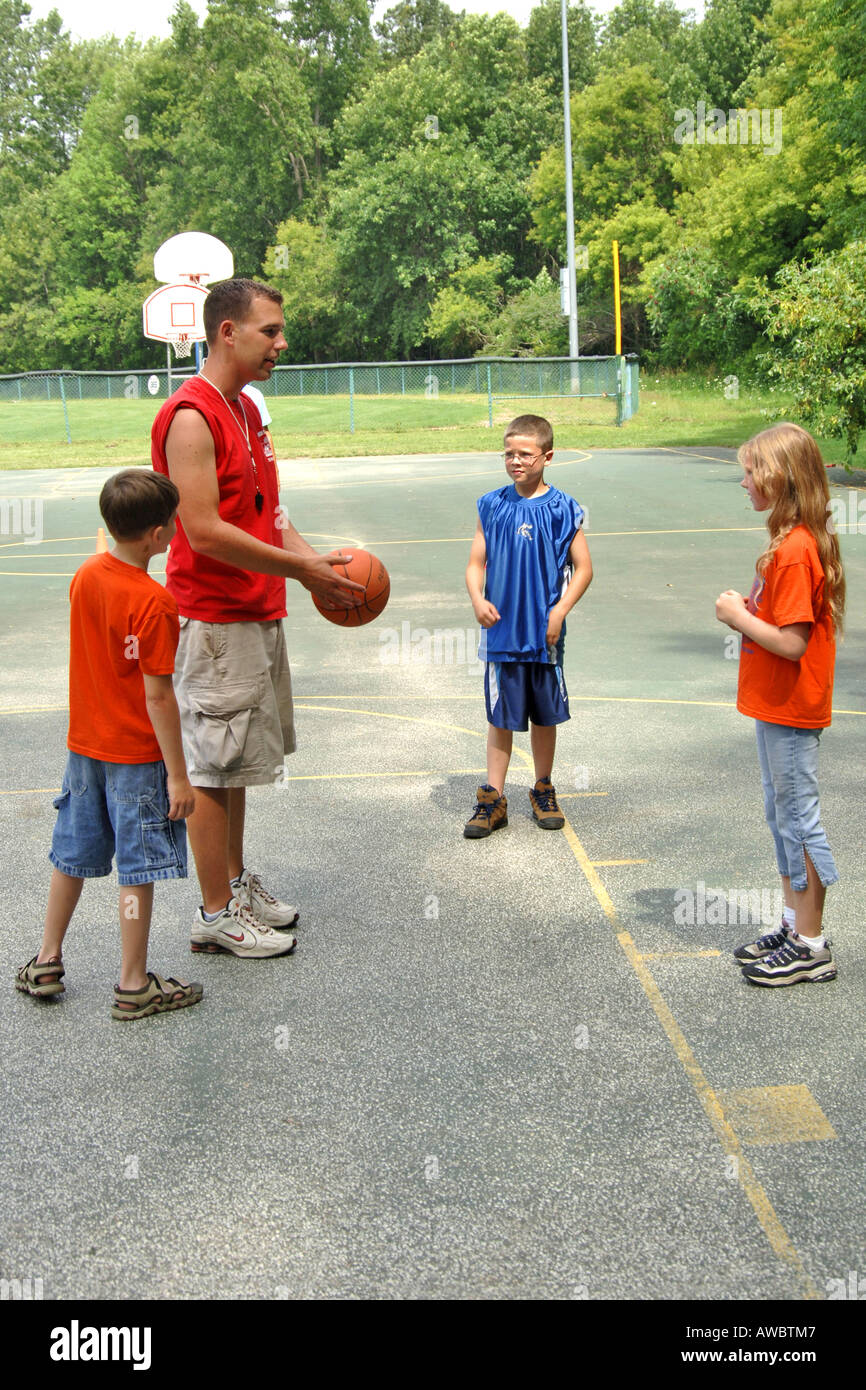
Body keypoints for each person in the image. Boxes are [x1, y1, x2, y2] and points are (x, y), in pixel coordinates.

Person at [151, 277, 363, 958]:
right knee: (213, 770)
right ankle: (214, 912)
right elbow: (205, 530)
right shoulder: (192, 417)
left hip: (254, 611)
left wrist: (314, 567)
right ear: (227, 333)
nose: (282, 342)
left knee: (236, 764)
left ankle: (234, 883)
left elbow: (270, 516)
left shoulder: (245, 410)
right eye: (270, 330)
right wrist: (297, 569)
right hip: (214, 623)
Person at [15, 470, 203, 1020]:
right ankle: (132, 982)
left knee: (72, 854)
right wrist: (178, 775)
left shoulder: (84, 577)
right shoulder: (155, 602)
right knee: (136, 872)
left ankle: (47, 960)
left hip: (85, 748)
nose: (174, 531)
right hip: (136, 757)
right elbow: (159, 698)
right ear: (154, 534)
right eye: (170, 525)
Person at [715, 422, 845, 986]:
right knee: (782, 817)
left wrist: (738, 617)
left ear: (779, 479)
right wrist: (753, 610)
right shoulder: (790, 541)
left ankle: (812, 944)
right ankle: (795, 927)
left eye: (750, 472)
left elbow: (792, 644)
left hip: (792, 709)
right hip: (777, 707)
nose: (743, 482)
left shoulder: (794, 550)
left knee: (797, 822)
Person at [463, 414, 593, 838]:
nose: (515, 461)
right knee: (501, 716)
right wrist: (478, 598)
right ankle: (493, 797)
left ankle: (542, 788)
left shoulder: (563, 508)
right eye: (509, 453)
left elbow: (584, 569)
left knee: (544, 715)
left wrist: (559, 611)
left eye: (525, 454)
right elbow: (474, 564)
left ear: (547, 456)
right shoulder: (490, 505)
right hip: (503, 633)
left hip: (545, 634)